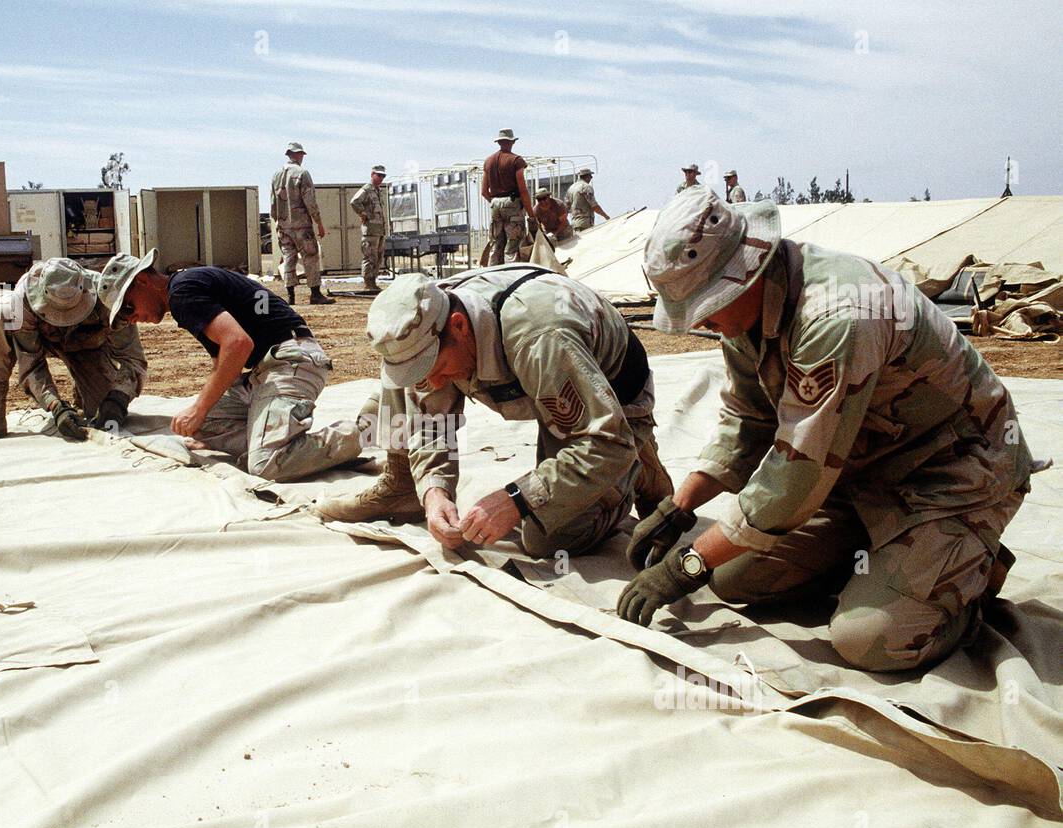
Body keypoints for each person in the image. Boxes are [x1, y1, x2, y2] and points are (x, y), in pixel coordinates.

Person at [617, 188, 1034, 673]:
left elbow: (794, 477)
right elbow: (747, 423)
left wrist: (685, 565)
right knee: (733, 579)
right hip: (856, 473)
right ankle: (880, 556)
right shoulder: (744, 317)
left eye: (706, 304)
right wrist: (680, 506)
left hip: (951, 478)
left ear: (746, 272)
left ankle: (968, 575)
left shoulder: (838, 314)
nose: (702, 319)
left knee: (870, 640)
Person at [314, 266, 675, 558]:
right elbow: (429, 417)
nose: (435, 383)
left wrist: (519, 499)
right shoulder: (429, 320)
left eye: (432, 365)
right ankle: (402, 484)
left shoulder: (540, 339)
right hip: (546, 379)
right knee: (396, 388)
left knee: (551, 538)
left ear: (458, 325)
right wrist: (434, 491)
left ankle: (636, 464)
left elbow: (604, 442)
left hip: (611, 400)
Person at [97, 250, 365, 481]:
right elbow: (223, 362)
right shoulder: (186, 287)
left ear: (142, 280)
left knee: (265, 466)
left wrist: (199, 408)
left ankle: (358, 434)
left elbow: (238, 345)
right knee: (198, 424)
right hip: (269, 367)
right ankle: (274, 440)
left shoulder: (182, 293)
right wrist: (201, 411)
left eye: (127, 307)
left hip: (292, 362)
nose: (130, 319)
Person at [0, 257, 146, 441]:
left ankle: (82, 397)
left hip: (85, 346)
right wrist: (55, 405)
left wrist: (118, 398)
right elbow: (31, 364)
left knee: (101, 412)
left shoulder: (106, 295)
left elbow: (132, 359)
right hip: (41, 341)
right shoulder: (23, 301)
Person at [271, 142, 334, 305]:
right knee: (310, 256)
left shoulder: (276, 175)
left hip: (283, 225)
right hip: (301, 225)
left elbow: (272, 204)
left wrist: (278, 221)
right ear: (298, 155)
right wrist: (318, 222)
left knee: (288, 258)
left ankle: (291, 296)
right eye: (302, 155)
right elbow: (310, 201)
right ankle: (315, 294)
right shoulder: (302, 173)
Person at [481, 129, 536, 265]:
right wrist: (531, 215)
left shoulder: (488, 162)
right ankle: (512, 277)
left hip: (495, 203)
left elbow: (484, 191)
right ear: (512, 142)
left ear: (499, 142)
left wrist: (495, 203)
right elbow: (523, 190)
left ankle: (491, 276)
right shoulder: (516, 161)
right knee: (513, 246)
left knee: (496, 245)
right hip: (512, 203)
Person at [350, 164, 388, 292]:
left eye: (383, 176)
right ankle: (368, 283)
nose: (381, 178)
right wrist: (363, 213)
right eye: (379, 175)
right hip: (370, 230)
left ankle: (373, 282)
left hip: (379, 230)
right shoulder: (366, 189)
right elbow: (354, 201)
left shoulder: (378, 191)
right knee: (370, 257)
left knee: (377, 257)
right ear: (372, 175)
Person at [565, 167, 609, 231]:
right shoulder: (586, 187)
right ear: (587, 176)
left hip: (574, 224)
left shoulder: (571, 188)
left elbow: (566, 208)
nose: (591, 178)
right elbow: (594, 205)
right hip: (585, 223)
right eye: (590, 176)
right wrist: (606, 216)